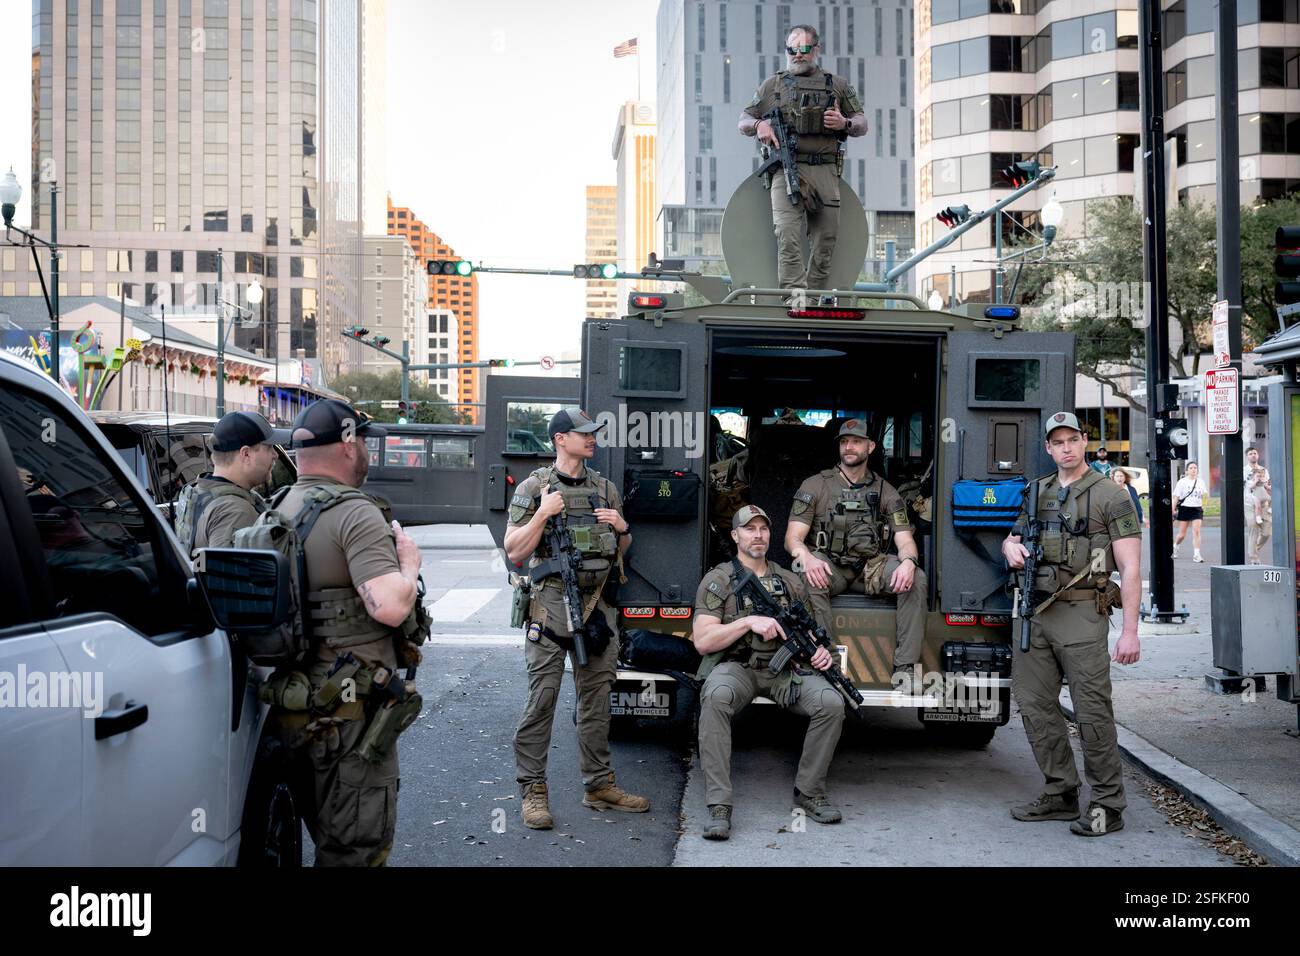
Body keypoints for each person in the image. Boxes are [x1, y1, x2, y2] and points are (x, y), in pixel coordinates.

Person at [278, 399, 426, 866]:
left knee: (320, 833)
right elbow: (389, 605)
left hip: (295, 700)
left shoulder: (276, 508)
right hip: (351, 711)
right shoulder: (355, 512)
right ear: (346, 444)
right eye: (362, 439)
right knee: (354, 851)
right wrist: (409, 564)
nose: (366, 449)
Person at [505, 407, 648, 830]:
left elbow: (620, 550)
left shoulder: (604, 489)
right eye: (584, 434)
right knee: (542, 700)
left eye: (594, 434)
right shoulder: (535, 487)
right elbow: (515, 551)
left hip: (596, 610)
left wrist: (623, 528)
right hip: (549, 607)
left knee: (597, 702)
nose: (592, 440)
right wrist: (542, 514)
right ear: (560, 439)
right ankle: (533, 791)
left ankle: (599, 785)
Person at [1002, 412, 1142, 837]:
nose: (1066, 447)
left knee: (1092, 712)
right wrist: (1008, 547)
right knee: (1034, 705)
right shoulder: (1036, 491)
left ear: (1084, 442)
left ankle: (1107, 804)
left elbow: (1131, 567)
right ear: (1048, 448)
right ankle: (1062, 792)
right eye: (1057, 441)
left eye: (1073, 439)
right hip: (1034, 614)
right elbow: (1014, 535)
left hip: (1083, 614)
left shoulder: (1109, 495)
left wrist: (1131, 631)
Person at [694, 505, 846, 841]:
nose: (758, 535)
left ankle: (808, 792)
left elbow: (809, 631)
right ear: (735, 536)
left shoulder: (790, 581)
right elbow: (703, 641)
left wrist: (820, 653)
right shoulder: (719, 580)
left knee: (831, 704)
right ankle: (719, 805)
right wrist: (747, 622)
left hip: (785, 671)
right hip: (739, 668)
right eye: (750, 529)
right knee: (716, 696)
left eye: (763, 528)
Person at [784, 418, 925, 690]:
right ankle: (827, 663)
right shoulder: (815, 485)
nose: (849, 447)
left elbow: (905, 540)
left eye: (856, 441)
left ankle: (905, 669)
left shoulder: (886, 491)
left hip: (869, 569)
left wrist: (908, 562)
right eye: (844, 442)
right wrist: (808, 557)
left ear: (870, 446)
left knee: (916, 578)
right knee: (804, 572)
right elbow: (792, 538)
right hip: (829, 568)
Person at [739, 24, 866, 293]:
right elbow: (744, 119)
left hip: (825, 170)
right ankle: (794, 297)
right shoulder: (772, 85)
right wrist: (759, 125)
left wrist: (844, 123)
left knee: (826, 238)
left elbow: (861, 122)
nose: (797, 55)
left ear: (816, 49)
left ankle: (815, 297)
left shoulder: (837, 85)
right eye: (792, 50)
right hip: (786, 169)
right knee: (786, 234)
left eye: (804, 49)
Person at [175, 411, 289, 553]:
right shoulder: (234, 511)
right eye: (269, 447)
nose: (275, 455)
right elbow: (225, 573)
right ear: (246, 454)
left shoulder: (200, 490)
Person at [1172, 461, 1209, 562]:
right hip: (1185, 508)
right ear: (1187, 470)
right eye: (1191, 468)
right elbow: (1176, 497)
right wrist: (1172, 510)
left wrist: (1204, 505)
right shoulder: (1182, 482)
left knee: (1196, 531)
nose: (1193, 470)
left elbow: (1205, 495)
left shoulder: (1201, 482)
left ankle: (1196, 555)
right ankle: (1175, 546)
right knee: (1182, 534)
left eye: (1195, 468)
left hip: (1197, 509)